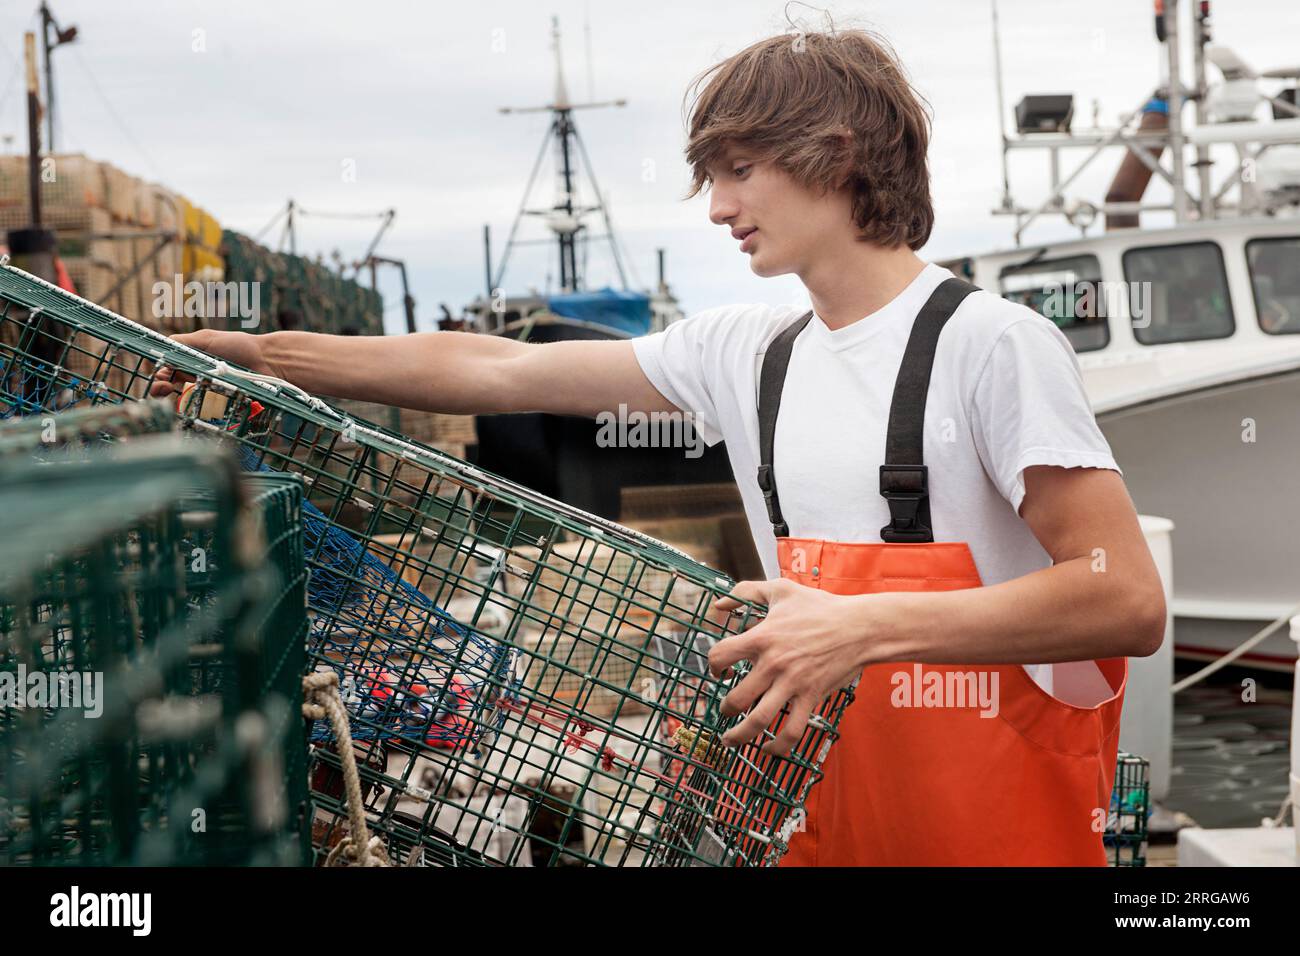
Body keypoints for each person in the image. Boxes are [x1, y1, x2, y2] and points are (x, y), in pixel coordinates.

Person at [152, 27, 1165, 866]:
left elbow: (1124, 597)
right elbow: (497, 370)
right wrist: (264, 354)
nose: (718, 206)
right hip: (821, 831)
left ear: (840, 152)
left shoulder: (992, 346)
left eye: (737, 170)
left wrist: (858, 626)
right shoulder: (746, 352)